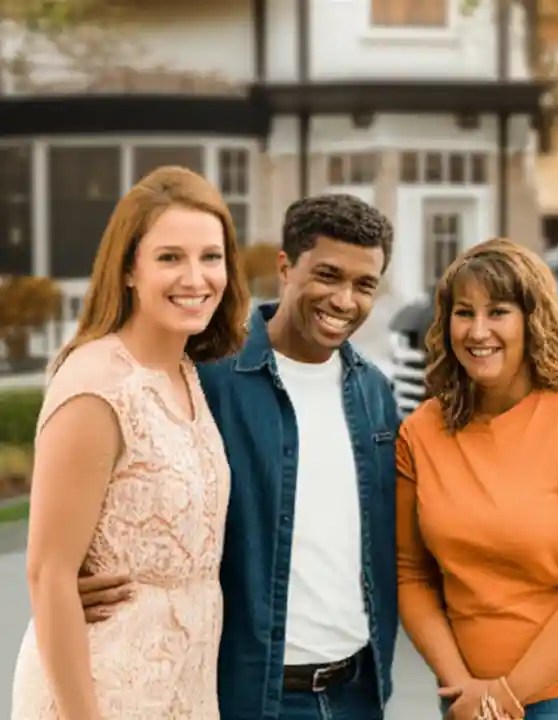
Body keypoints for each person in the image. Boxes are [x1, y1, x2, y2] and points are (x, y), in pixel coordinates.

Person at [73, 193, 402, 719]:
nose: (344, 300)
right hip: (251, 695)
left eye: (364, 285)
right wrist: (73, 573)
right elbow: (128, 484)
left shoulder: (376, 395)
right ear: (285, 267)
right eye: (328, 276)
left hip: (357, 692)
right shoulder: (208, 377)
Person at [11, 165, 250, 718]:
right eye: (170, 257)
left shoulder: (184, 372)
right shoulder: (96, 386)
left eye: (210, 257)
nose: (195, 278)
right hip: (102, 692)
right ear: (127, 270)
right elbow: (49, 574)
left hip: (184, 690)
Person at [396, 237, 558, 720]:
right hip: (465, 696)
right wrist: (461, 686)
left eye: (498, 312)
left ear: (532, 320)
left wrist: (503, 697)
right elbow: (412, 575)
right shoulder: (421, 432)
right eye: (464, 312)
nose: (478, 330)